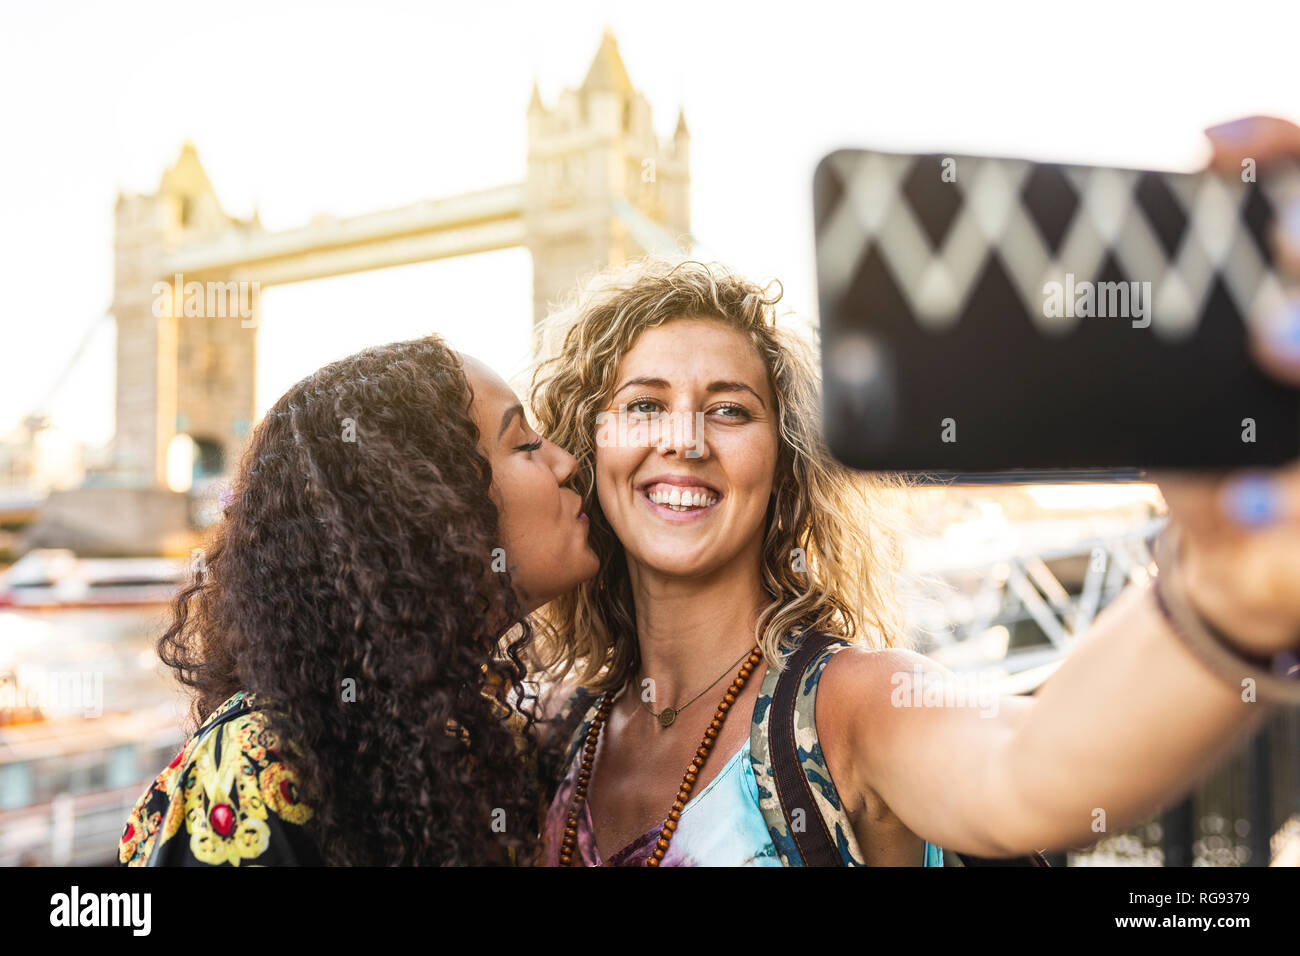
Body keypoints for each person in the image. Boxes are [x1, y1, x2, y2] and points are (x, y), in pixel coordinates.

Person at [527, 118, 1300, 866]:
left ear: (787, 463)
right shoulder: (560, 732)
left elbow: (1024, 768)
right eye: (644, 405)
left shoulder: (849, 706)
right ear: (590, 449)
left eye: (730, 409)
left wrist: (1232, 586)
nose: (686, 440)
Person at [119, 334, 598, 866]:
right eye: (526, 445)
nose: (566, 462)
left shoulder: (491, 738)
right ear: (427, 514)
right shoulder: (251, 773)